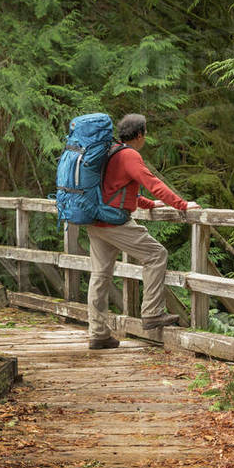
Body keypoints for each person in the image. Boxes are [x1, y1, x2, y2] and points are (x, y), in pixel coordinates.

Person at [85, 113, 198, 349]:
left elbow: (116, 189)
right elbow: (152, 183)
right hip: (114, 223)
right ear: (139, 135)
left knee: (99, 276)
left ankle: (98, 333)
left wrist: (147, 204)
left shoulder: (110, 152)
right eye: (145, 133)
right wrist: (182, 205)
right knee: (156, 255)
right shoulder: (129, 155)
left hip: (95, 221)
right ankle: (152, 313)